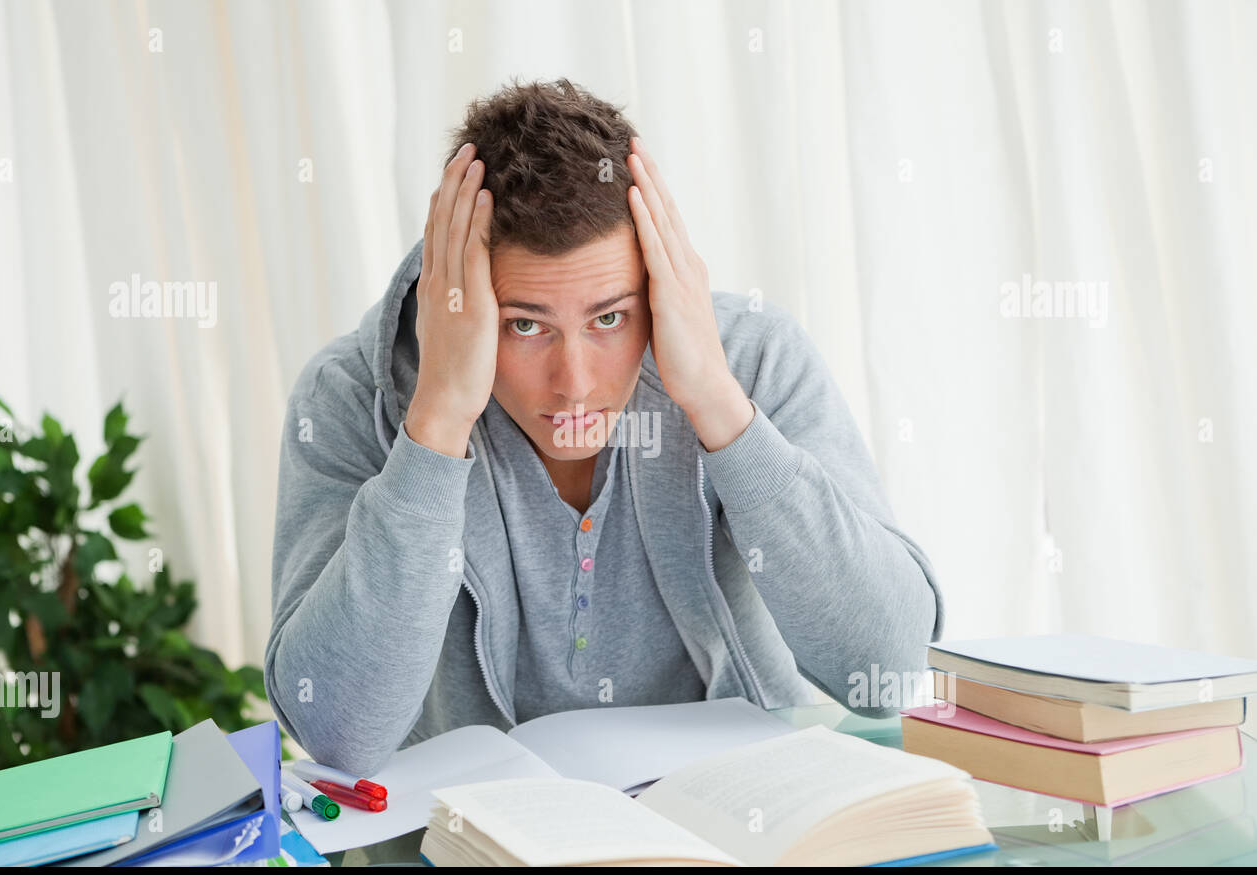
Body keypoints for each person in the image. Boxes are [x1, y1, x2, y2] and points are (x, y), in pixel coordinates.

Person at [265, 78, 944, 776]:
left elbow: (886, 673)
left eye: (609, 318)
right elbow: (339, 732)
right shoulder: (351, 397)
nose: (576, 383)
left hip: (739, 821)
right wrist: (436, 423)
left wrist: (716, 404)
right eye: (524, 325)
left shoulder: (751, 358)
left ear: (658, 281)